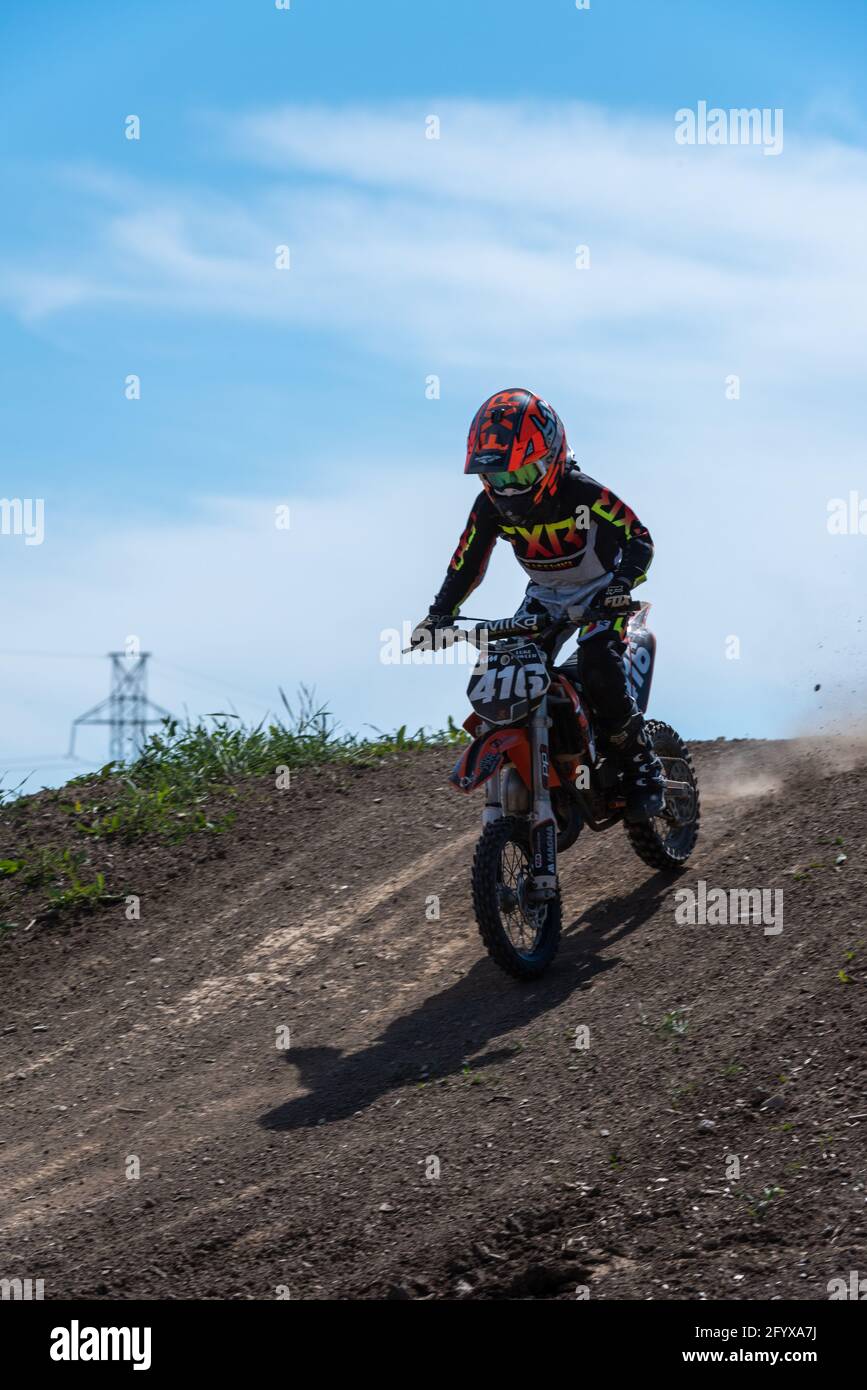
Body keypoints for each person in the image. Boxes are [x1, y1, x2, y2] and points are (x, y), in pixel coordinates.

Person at [411, 387, 665, 820]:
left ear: (552, 458)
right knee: (506, 671)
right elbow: (466, 561)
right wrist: (440, 614)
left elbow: (639, 539)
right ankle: (550, 759)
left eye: (520, 476)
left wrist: (621, 584)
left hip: (602, 592)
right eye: (499, 479)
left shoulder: (582, 492)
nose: (509, 490)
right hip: (543, 598)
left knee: (599, 665)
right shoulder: (489, 507)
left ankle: (644, 766)